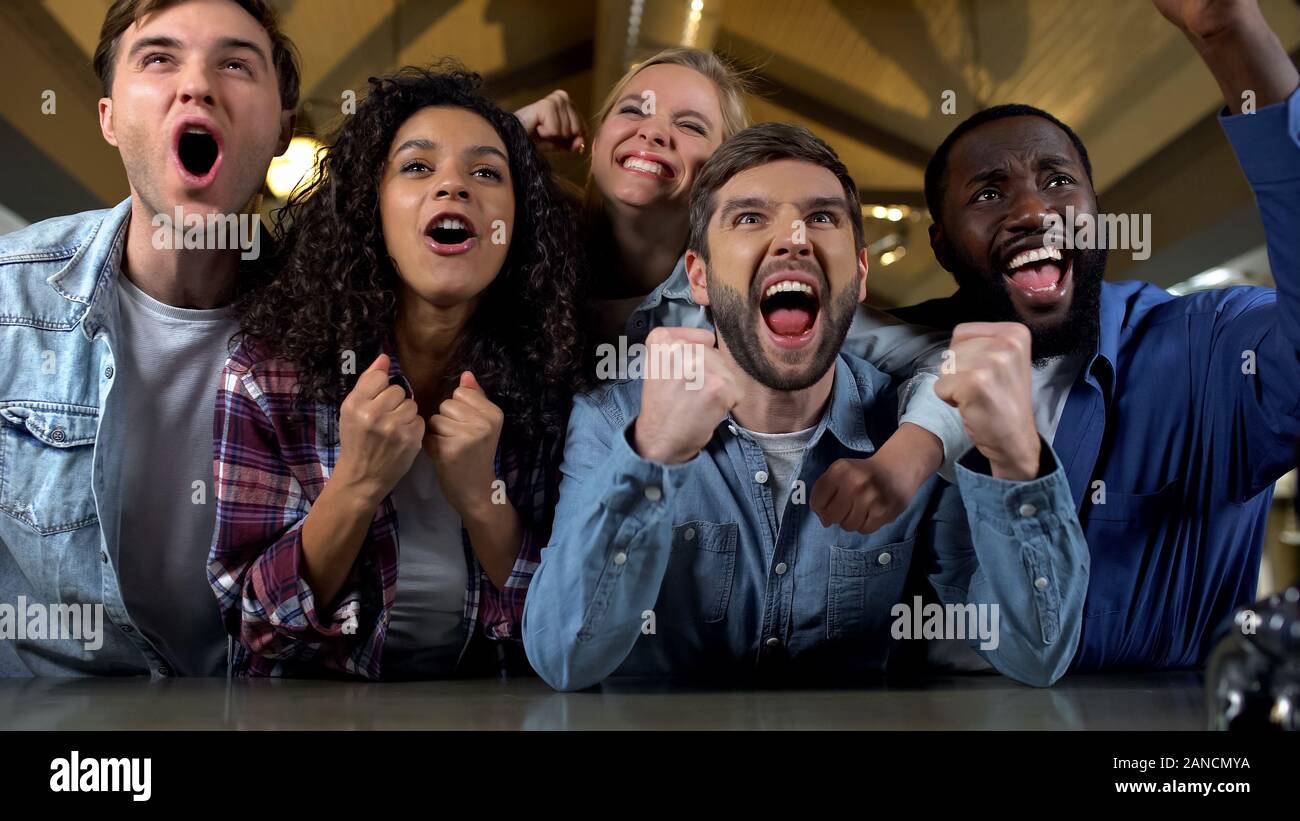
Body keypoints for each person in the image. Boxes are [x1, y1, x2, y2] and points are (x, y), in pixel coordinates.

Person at [522, 123, 1089, 690]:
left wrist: (1020, 459)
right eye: (749, 217)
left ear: (861, 273)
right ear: (698, 276)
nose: (793, 239)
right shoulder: (613, 419)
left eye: (821, 218)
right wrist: (653, 456)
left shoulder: (907, 432)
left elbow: (1035, 655)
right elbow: (566, 658)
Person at [878, 0, 1300, 670]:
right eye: (989, 194)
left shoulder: (1205, 354)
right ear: (942, 244)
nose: (1034, 209)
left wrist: (1232, 37)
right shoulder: (885, 372)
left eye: (1059, 181)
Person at [208, 65, 588, 679]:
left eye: (486, 173)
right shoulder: (265, 377)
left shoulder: (553, 384)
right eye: (417, 167)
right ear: (371, 210)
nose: (453, 188)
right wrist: (355, 485)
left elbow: (565, 639)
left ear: (518, 225)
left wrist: (484, 502)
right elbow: (257, 632)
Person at [516, 48, 966, 534]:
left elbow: (955, 359)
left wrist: (908, 456)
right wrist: (504, 139)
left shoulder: (746, 297)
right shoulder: (520, 246)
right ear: (599, 135)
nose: (653, 131)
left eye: (690, 125)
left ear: (722, 173)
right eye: (633, 110)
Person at [0, 0, 297, 677]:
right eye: (159, 58)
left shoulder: (333, 329)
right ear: (108, 117)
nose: (196, 85)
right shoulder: (7, 305)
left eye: (234, 63)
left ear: (283, 127)